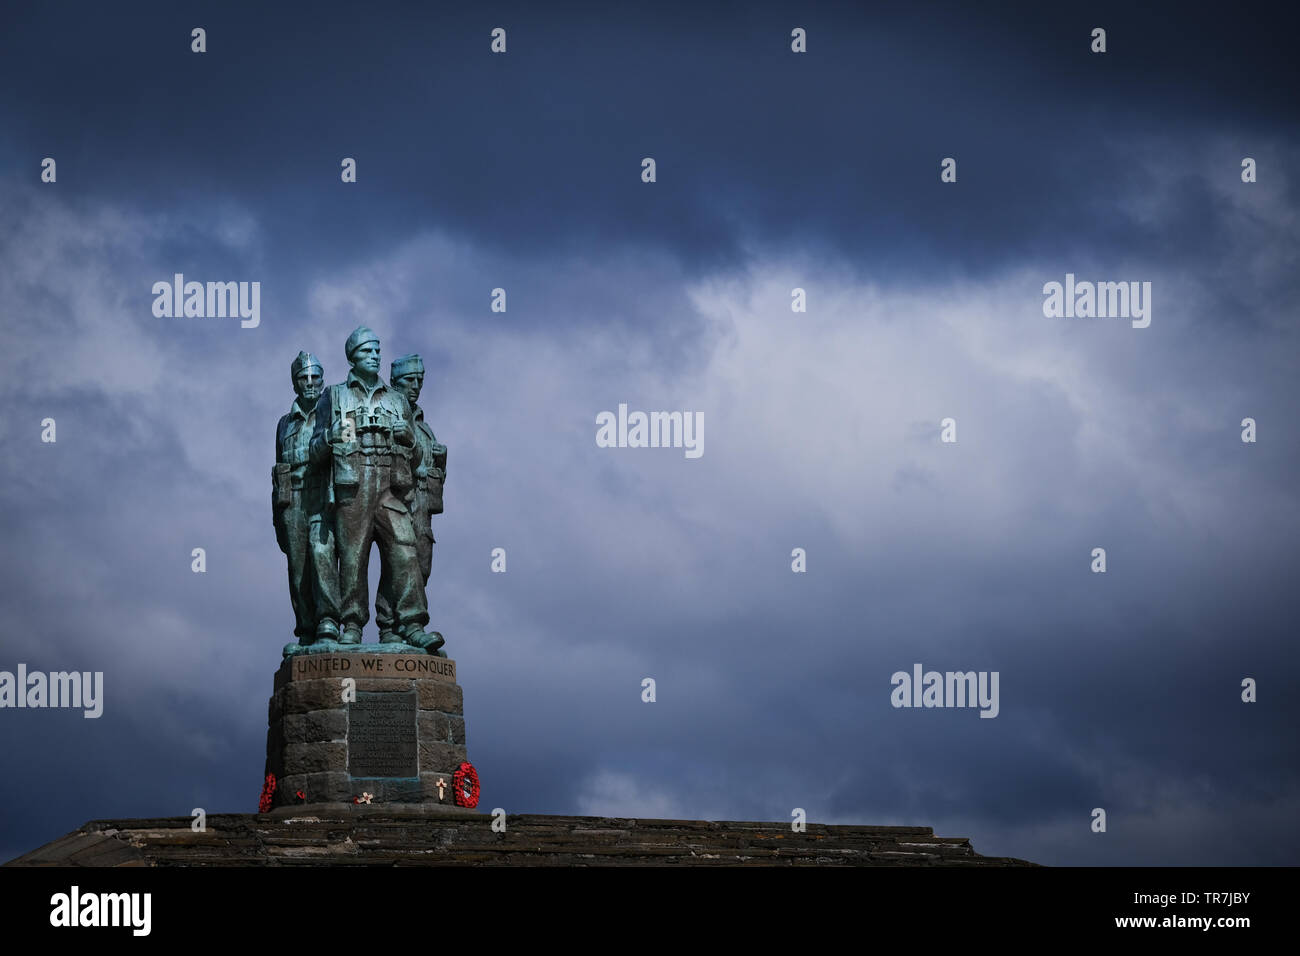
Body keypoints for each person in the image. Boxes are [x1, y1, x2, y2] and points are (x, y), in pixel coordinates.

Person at [308, 327, 442, 651]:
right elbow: (314, 452)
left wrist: (410, 439)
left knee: (405, 547)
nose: (376, 357)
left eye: (378, 351)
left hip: (390, 484)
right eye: (368, 351)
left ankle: (411, 623)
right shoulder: (335, 395)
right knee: (353, 558)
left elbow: (419, 455)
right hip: (352, 483)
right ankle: (351, 624)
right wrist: (330, 437)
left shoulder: (397, 400)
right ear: (353, 356)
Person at [375, 354, 447, 653]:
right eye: (409, 380)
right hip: (395, 497)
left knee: (421, 565)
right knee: (401, 563)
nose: (416, 385)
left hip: (423, 503)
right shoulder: (390, 415)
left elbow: (435, 464)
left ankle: (400, 626)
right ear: (394, 382)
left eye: (420, 380)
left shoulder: (423, 424)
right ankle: (394, 626)